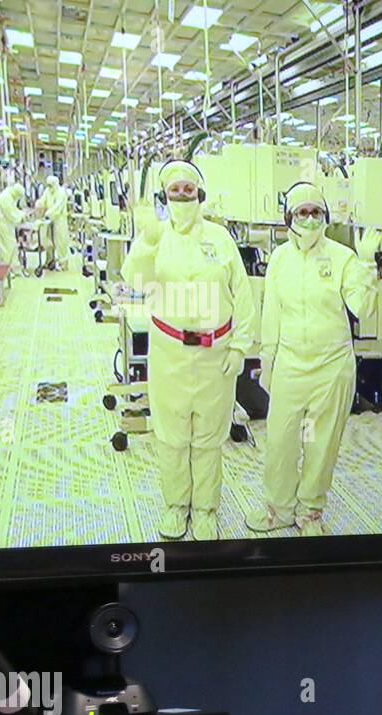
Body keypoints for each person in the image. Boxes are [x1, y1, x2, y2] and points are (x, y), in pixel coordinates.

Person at [120, 160, 257, 541]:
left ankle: (205, 508)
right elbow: (133, 280)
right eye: (174, 189)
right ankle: (176, 506)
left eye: (188, 189)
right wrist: (144, 244)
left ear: (200, 194)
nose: (182, 195)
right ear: (165, 195)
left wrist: (241, 346)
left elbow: (242, 295)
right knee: (172, 435)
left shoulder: (220, 237)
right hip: (170, 352)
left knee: (210, 436)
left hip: (216, 352)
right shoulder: (156, 236)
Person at [247, 182, 380, 536]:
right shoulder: (279, 258)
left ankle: (310, 513)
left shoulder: (342, 257)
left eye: (315, 212)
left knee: (319, 443)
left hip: (332, 366)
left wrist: (366, 263)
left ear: (326, 216)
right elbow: (271, 313)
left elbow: (361, 306)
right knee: (281, 440)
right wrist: (268, 362)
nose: (308, 219)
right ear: (288, 217)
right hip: (290, 363)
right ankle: (278, 509)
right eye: (301, 212)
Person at [38, 174, 70, 268]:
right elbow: (43, 200)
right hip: (49, 219)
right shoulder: (48, 190)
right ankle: (49, 260)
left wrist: (48, 213)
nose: (49, 187)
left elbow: (58, 207)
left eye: (50, 185)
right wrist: (38, 204)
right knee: (48, 240)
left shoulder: (61, 193)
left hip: (60, 219)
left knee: (60, 240)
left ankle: (63, 263)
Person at [0, 181, 26, 271]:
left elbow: (13, 209)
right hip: (2, 224)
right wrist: (21, 217)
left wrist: (22, 213)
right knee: (8, 246)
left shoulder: (11, 196)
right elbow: (10, 214)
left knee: (10, 245)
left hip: (7, 224)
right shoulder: (6, 197)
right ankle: (7, 267)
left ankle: (10, 266)